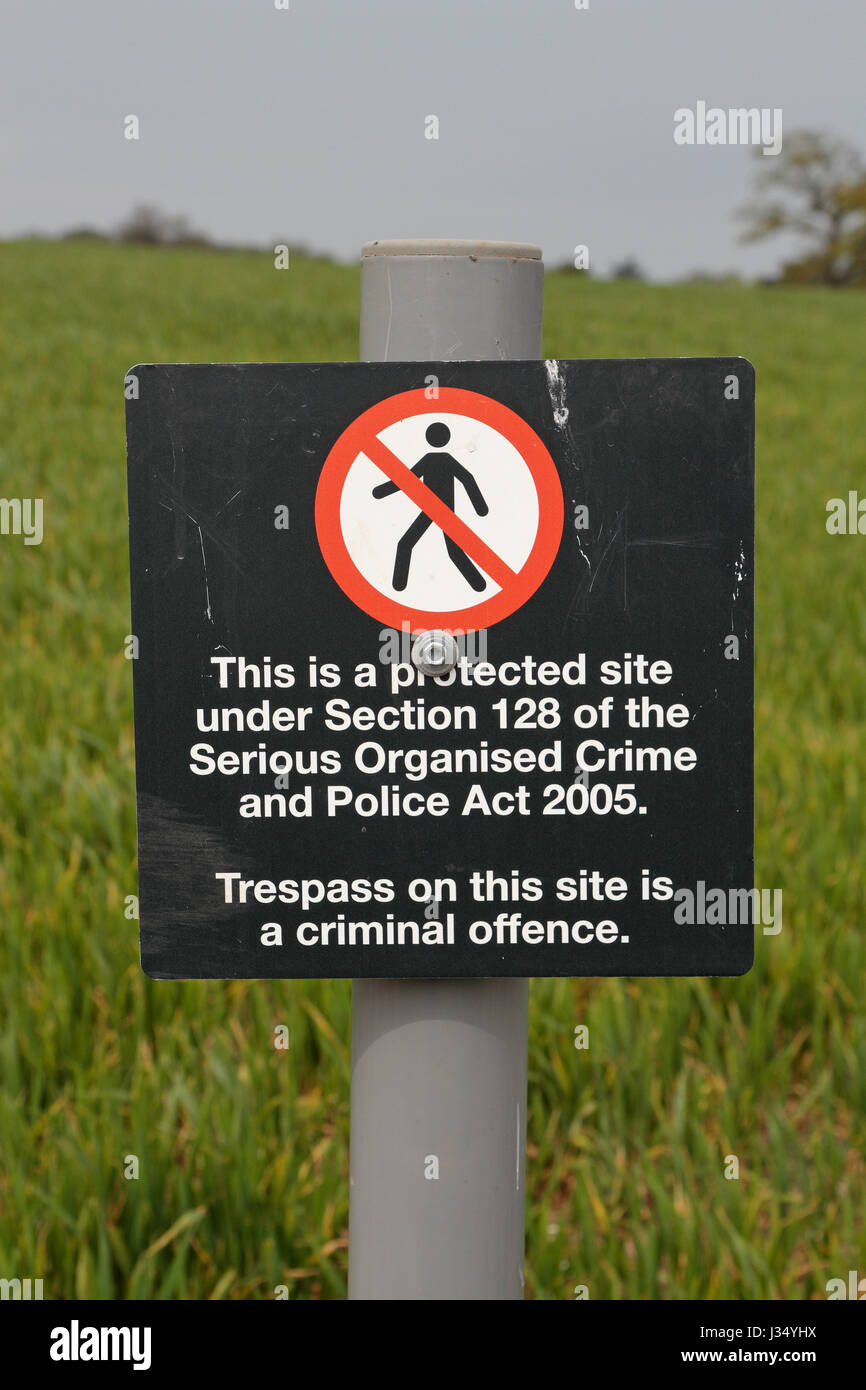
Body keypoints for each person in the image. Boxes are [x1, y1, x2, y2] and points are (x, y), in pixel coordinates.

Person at [372, 422, 489, 591]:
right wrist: (480, 508)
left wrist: (380, 491)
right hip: (435, 510)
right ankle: (479, 585)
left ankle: (479, 585)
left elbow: (405, 481)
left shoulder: (432, 459)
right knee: (451, 551)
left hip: (439, 512)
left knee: (407, 544)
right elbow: (467, 478)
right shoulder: (444, 459)